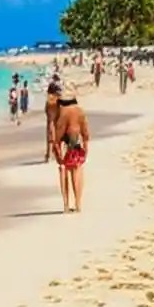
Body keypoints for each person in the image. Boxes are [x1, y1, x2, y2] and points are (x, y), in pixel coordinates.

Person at [53, 83, 89, 213]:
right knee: (78, 171)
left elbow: (57, 137)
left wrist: (56, 152)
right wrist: (86, 148)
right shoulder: (80, 111)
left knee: (63, 171)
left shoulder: (63, 112)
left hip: (66, 144)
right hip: (77, 143)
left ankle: (66, 205)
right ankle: (78, 204)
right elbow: (85, 134)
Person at [44, 82, 61, 163]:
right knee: (57, 139)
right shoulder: (58, 99)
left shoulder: (49, 100)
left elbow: (46, 111)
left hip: (50, 121)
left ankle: (48, 156)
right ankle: (57, 154)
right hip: (57, 121)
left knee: (49, 139)